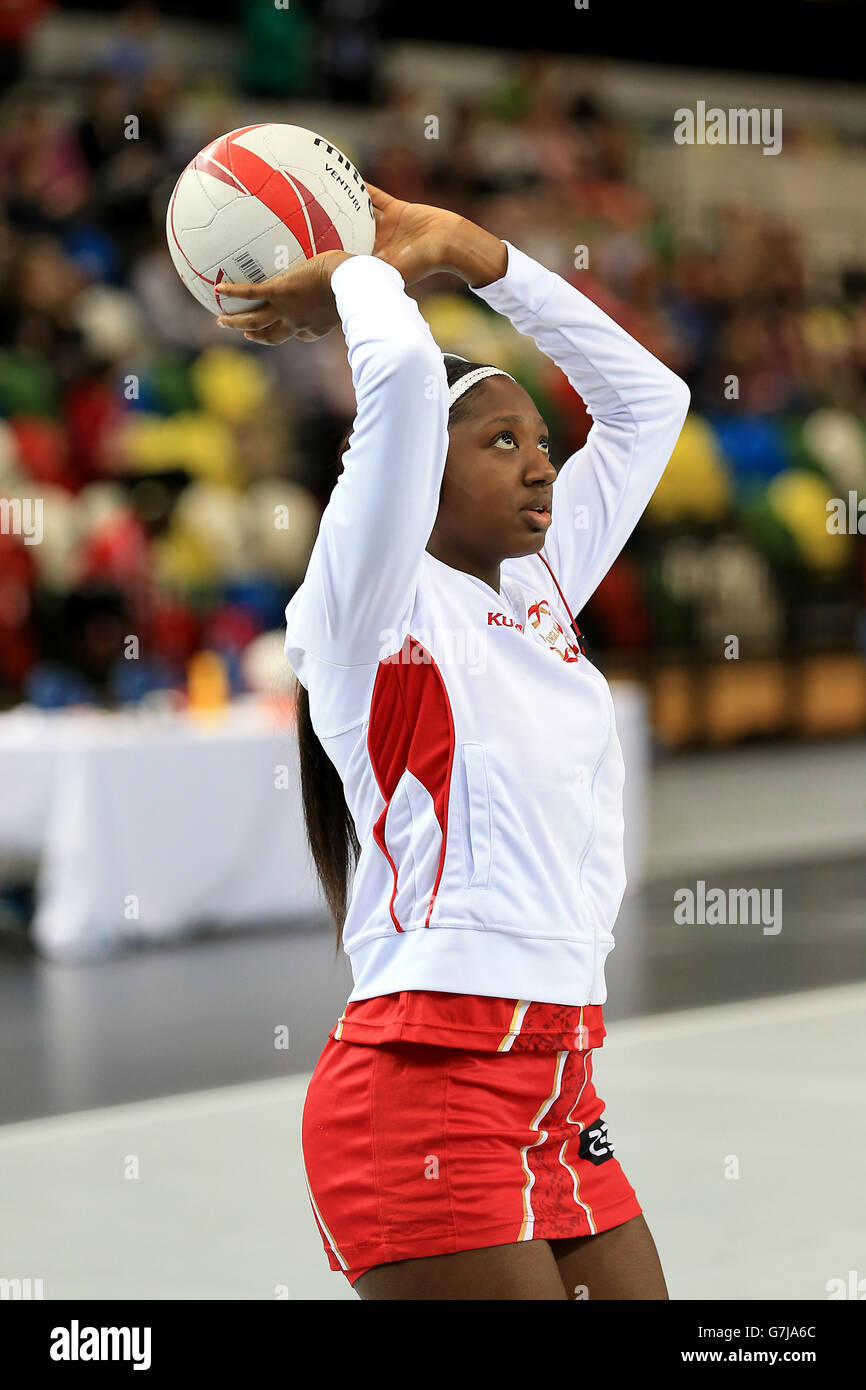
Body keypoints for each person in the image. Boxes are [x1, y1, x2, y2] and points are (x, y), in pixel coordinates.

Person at [217, 184, 690, 1300]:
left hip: (558, 1076)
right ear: (416, 479)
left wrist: (481, 257)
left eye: (539, 441)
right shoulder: (368, 604)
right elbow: (390, 376)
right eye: (499, 441)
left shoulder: (535, 591)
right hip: (424, 1084)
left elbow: (648, 403)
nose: (540, 466)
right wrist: (358, 274)